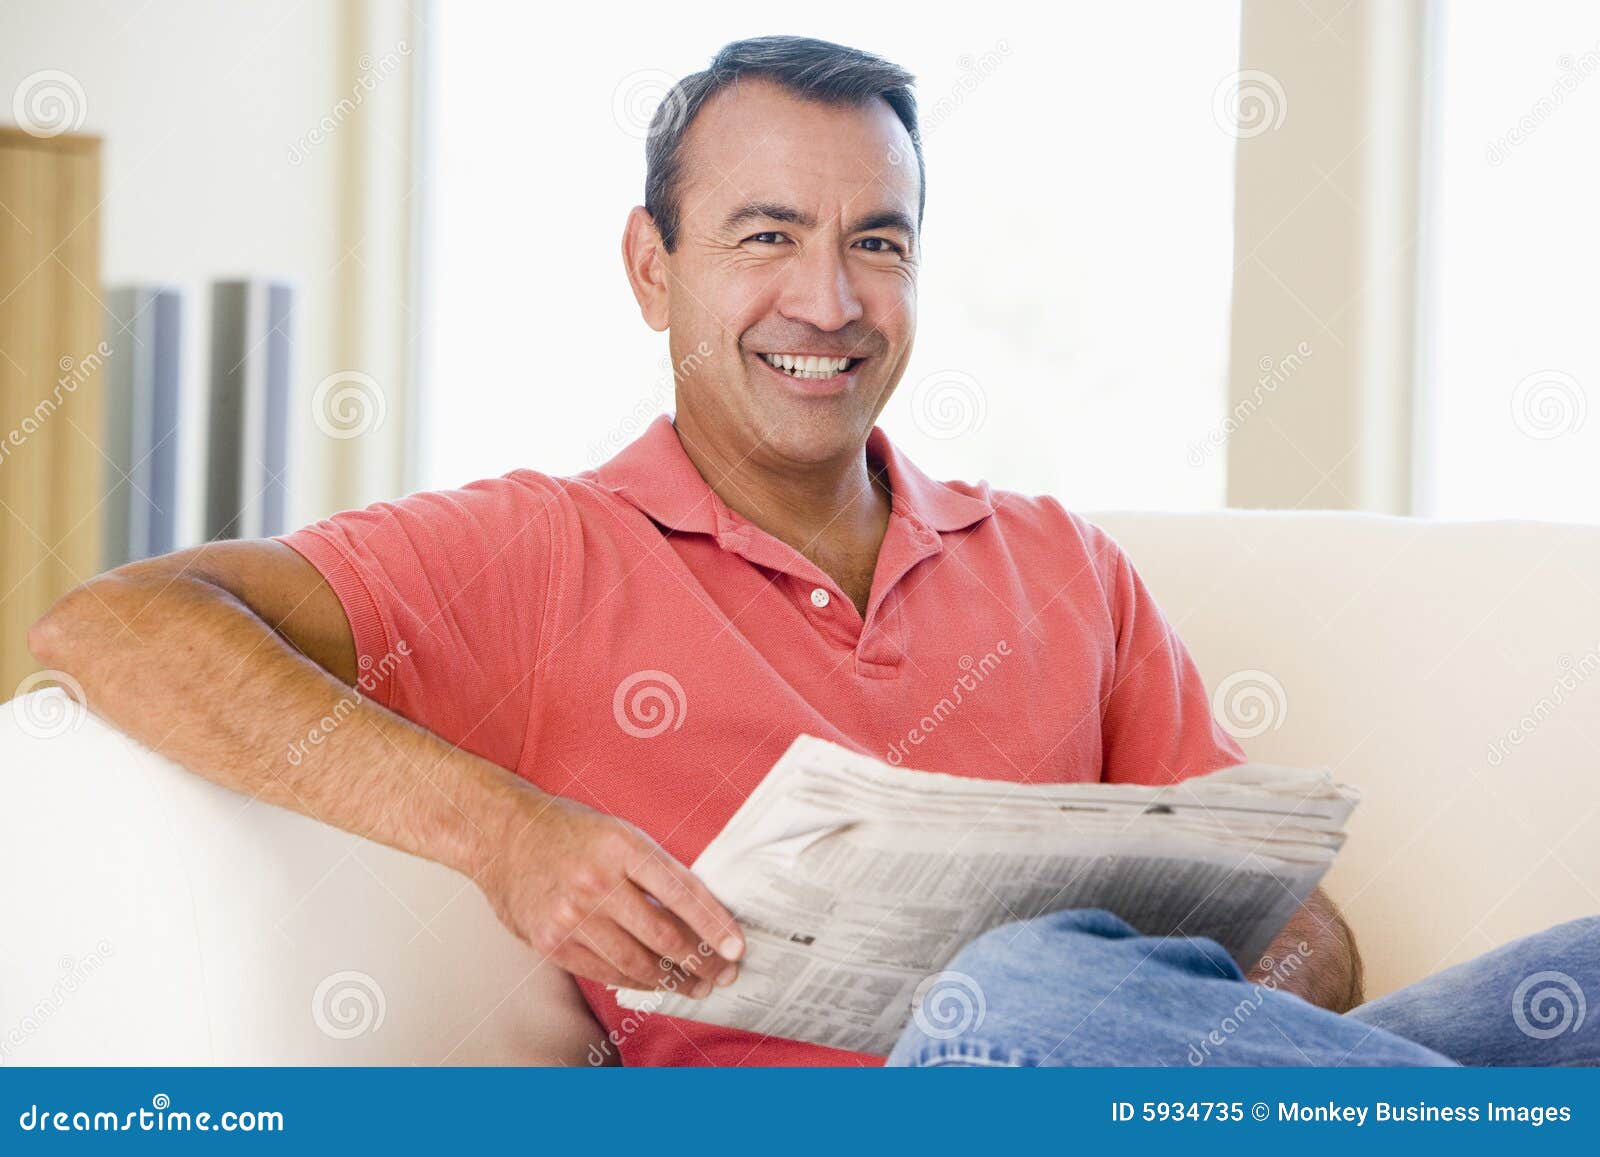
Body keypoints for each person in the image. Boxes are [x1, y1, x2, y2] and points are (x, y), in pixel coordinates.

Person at [30, 36, 1592, 1068]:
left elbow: (1311, 932)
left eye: (876, 242)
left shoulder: (1060, 562)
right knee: (1002, 996)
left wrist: (1223, 1019)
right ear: (654, 267)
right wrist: (509, 837)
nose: (829, 301)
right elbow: (113, 624)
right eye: (768, 235)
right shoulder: (537, 551)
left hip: (1137, 1100)